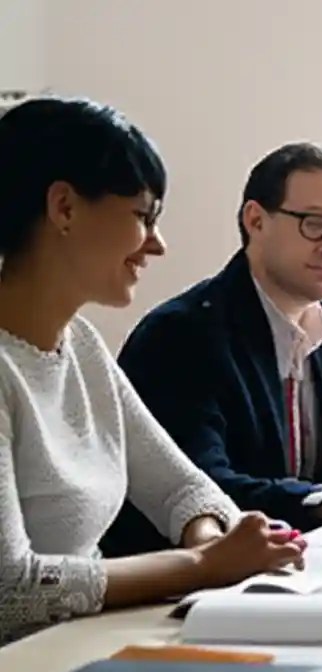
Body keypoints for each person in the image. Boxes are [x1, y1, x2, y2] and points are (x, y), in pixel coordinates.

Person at [0, 97, 304, 644]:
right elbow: (11, 589)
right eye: (143, 217)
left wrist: (209, 542)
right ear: (64, 207)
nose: (157, 245)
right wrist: (202, 567)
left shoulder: (83, 347)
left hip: (74, 648)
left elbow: (184, 489)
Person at [101, 142, 322, 556]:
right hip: (182, 579)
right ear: (255, 220)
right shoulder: (181, 335)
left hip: (308, 561)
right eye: (314, 223)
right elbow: (203, 487)